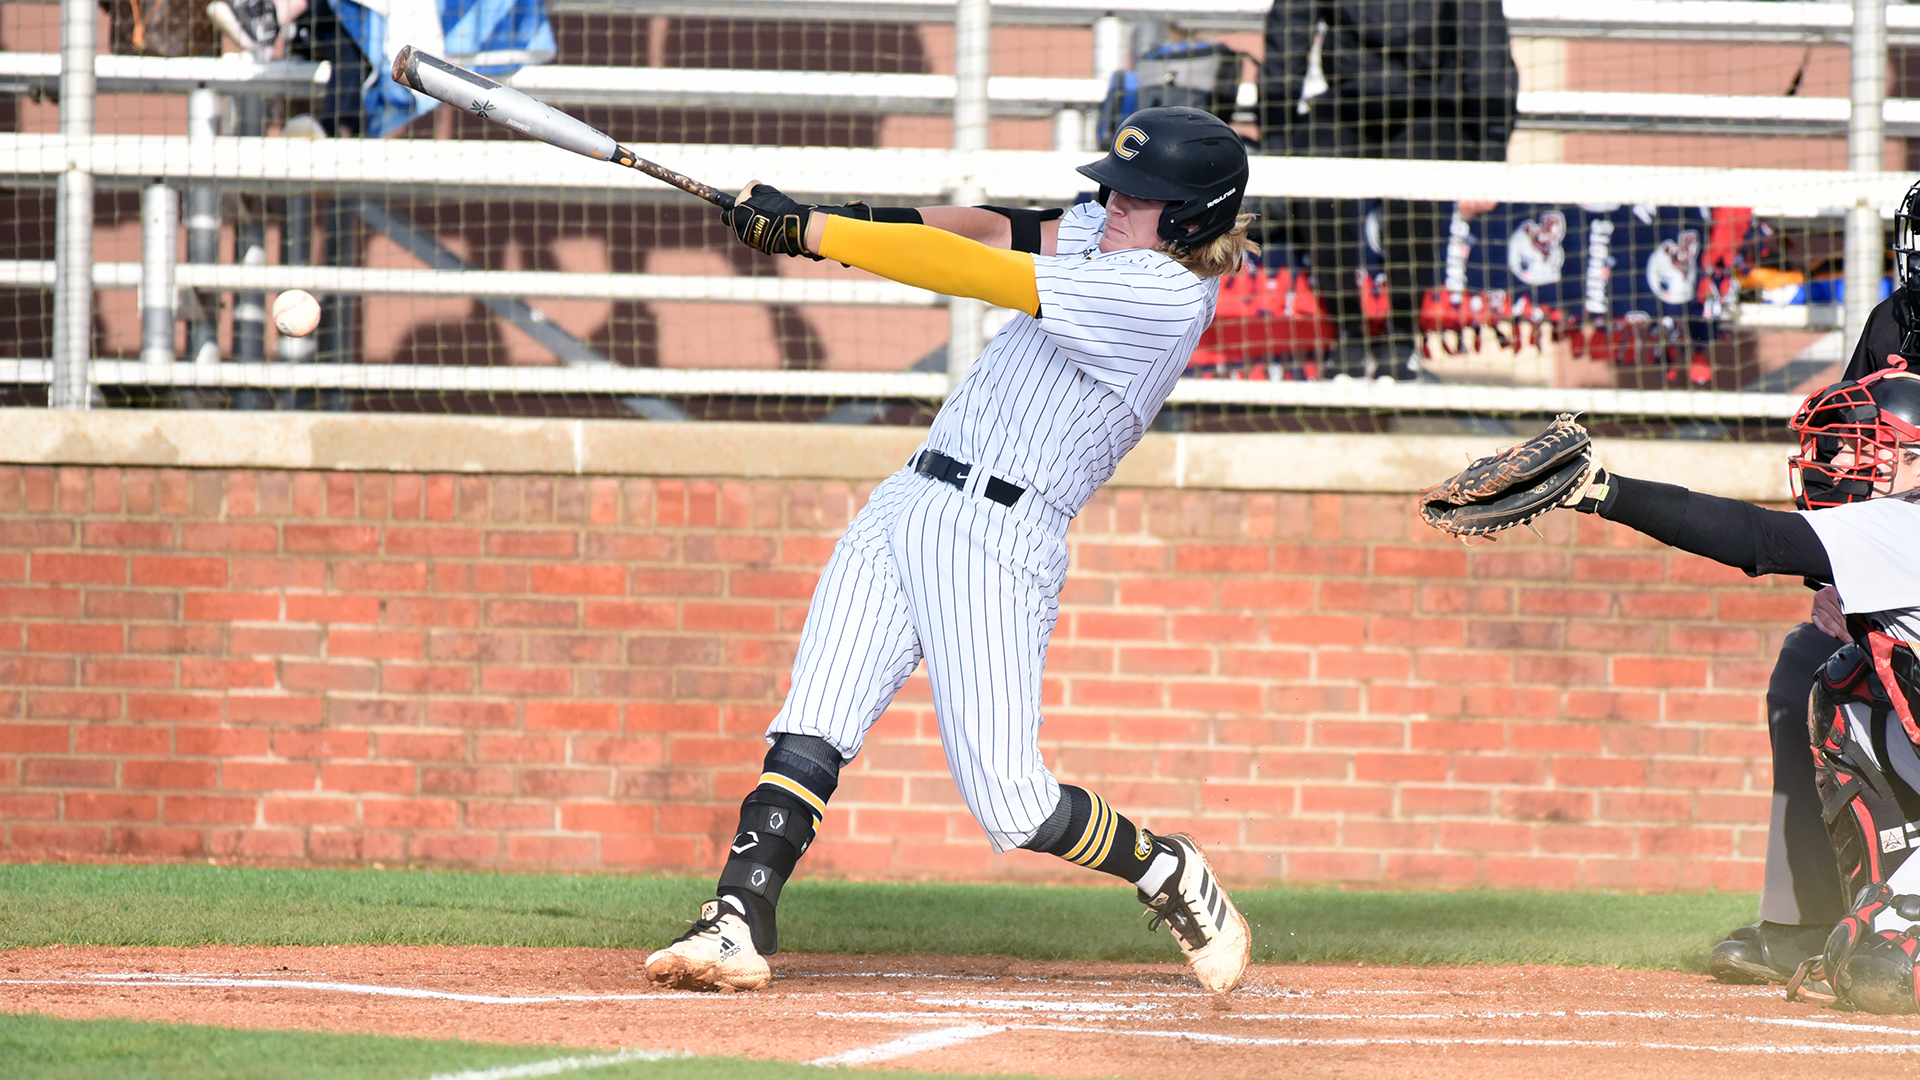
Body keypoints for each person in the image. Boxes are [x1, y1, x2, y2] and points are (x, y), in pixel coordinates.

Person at [641, 106, 1258, 995]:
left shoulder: (1161, 296)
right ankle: (737, 918)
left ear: (1193, 217)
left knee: (1013, 802)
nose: (1114, 201)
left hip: (999, 537)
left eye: (1141, 195)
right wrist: (832, 223)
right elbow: (991, 224)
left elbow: (978, 269)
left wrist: (811, 234)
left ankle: (1165, 870)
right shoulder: (1107, 233)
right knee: (816, 713)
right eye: (1117, 185)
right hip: (912, 496)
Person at [1553, 365, 1920, 1009]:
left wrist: (1600, 491)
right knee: (1842, 686)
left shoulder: (1905, 526)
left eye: (1862, 447)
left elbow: (1757, 536)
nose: (1836, 461)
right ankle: (1882, 896)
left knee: (1881, 972)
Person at [1706, 179, 1920, 985]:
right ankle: (1807, 922)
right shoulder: (1898, 321)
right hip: (1904, 573)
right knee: (1808, 671)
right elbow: (1848, 459)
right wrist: (1836, 581)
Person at [1257, 0, 1518, 378]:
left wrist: (1490, 152)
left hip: (1429, 102)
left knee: (1414, 194)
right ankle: (1348, 335)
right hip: (1349, 97)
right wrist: (1278, 139)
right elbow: (1289, 31)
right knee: (1316, 177)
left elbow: (1485, 43)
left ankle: (1400, 337)